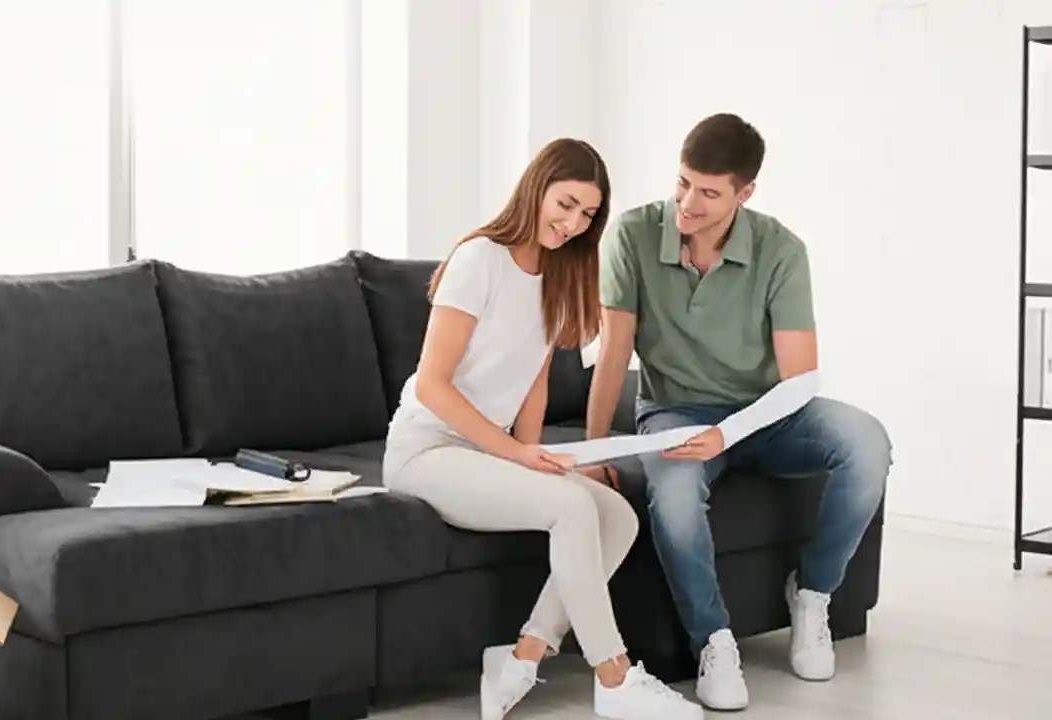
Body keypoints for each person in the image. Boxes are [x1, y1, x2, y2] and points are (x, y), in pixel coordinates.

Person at [382, 138, 703, 720]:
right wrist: (515, 454)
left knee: (617, 515)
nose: (573, 223)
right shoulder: (479, 259)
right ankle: (614, 677)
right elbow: (432, 385)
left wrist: (532, 454)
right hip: (425, 450)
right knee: (572, 508)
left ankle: (522, 656)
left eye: (587, 215)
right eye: (566, 204)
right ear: (537, 187)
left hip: (484, 453)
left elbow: (534, 379)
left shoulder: (558, 273)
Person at [584, 113, 893, 711]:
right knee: (675, 496)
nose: (687, 203)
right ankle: (713, 642)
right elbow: (614, 353)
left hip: (770, 413)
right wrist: (598, 452)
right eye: (682, 183)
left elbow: (800, 379)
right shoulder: (633, 236)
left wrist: (728, 433)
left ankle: (813, 595)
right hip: (675, 414)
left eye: (708, 192)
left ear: (744, 193)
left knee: (867, 443)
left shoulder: (781, 251)